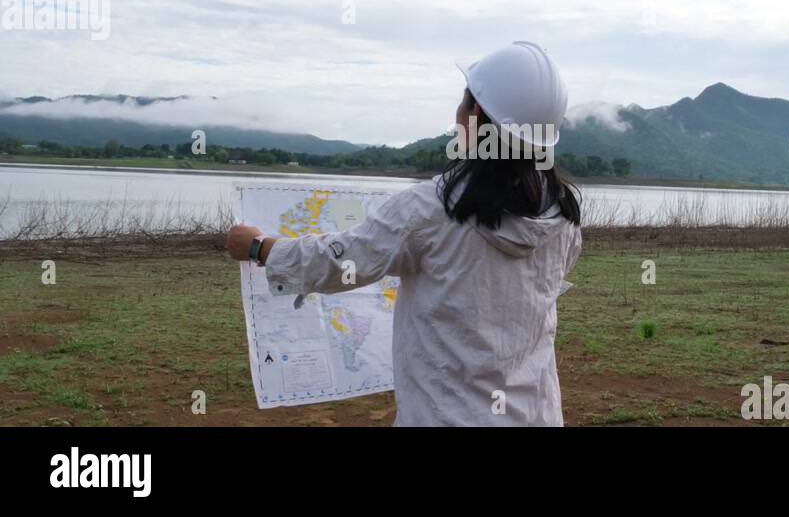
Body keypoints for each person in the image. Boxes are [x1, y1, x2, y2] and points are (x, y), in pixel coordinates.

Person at [226, 41, 583, 426]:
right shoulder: (563, 217)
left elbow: (341, 260)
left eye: (464, 104)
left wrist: (260, 248)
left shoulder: (429, 210)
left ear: (476, 113)